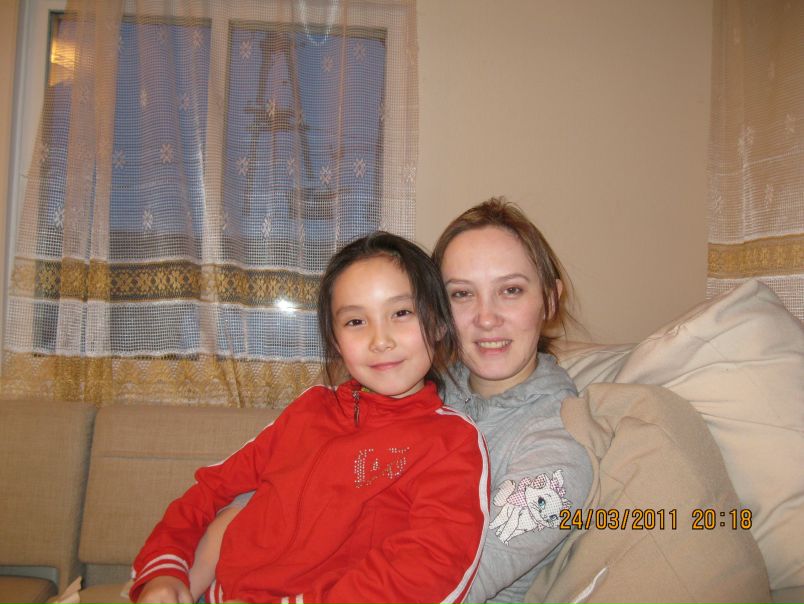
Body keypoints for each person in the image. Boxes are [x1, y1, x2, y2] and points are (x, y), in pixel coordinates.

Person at [130, 232, 490, 604]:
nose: (380, 340)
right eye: (355, 321)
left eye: (401, 313)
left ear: (439, 324)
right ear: (335, 341)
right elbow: (212, 488)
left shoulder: (451, 441)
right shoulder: (311, 408)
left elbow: (431, 566)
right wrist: (164, 570)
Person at [431, 197, 593, 604]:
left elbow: (454, 584)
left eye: (511, 290)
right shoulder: (421, 392)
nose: (486, 318)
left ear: (550, 300)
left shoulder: (556, 445)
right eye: (462, 294)